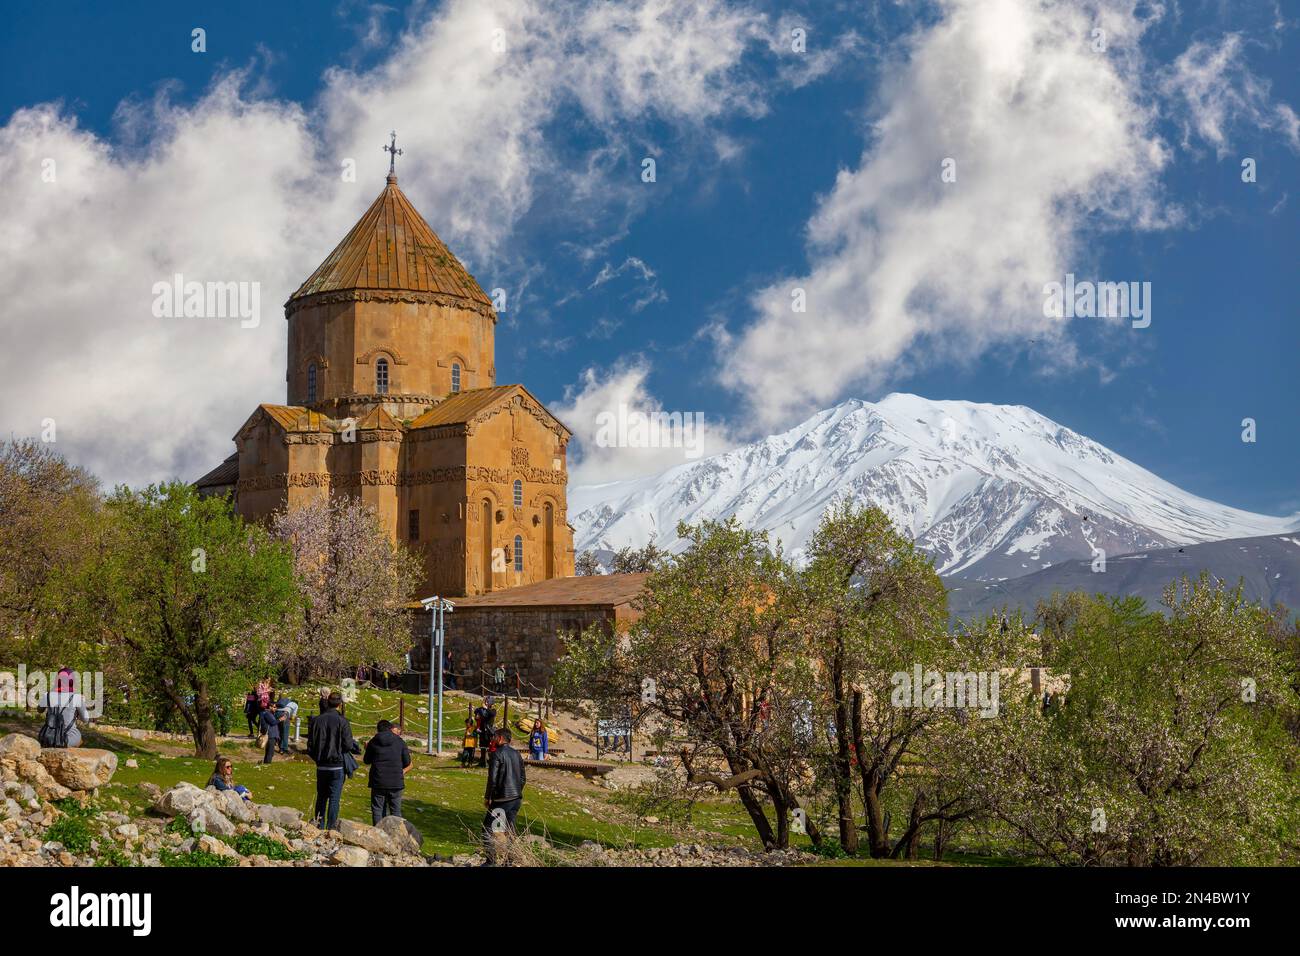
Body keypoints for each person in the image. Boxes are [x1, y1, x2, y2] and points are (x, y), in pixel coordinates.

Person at [307, 691, 360, 831]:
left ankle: (318, 824)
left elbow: (310, 746)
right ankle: (331, 828)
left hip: (321, 765)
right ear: (340, 704)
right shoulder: (343, 721)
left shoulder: (317, 720)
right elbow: (348, 745)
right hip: (337, 764)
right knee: (334, 798)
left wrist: (318, 759)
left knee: (321, 797)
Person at [482, 728, 526, 865]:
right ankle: (510, 860)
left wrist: (488, 797)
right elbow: (523, 778)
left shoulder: (496, 754)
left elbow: (492, 778)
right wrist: (517, 791)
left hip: (502, 800)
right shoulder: (516, 754)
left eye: (494, 736)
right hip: (516, 799)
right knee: (510, 830)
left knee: (488, 828)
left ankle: (491, 860)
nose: (492, 738)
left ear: (500, 738)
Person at [363, 719, 412, 824]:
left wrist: (367, 749)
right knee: (396, 811)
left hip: (378, 781)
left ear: (378, 730)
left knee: (378, 809)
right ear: (390, 728)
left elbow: (366, 761)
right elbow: (407, 762)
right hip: (396, 782)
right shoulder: (400, 742)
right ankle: (396, 836)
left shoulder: (373, 741)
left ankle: (378, 835)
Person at [37, 668, 89, 748]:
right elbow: (85, 719)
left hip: (48, 736)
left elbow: (39, 710)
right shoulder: (77, 697)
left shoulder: (47, 695)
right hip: (69, 737)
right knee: (79, 739)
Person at [473, 696, 497, 768]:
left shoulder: (493, 710)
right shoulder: (481, 709)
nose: (486, 703)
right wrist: (479, 712)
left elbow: (491, 714)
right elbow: (476, 711)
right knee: (482, 746)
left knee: (490, 747)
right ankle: (482, 762)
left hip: (489, 731)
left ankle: (490, 763)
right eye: (485, 701)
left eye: (487, 701)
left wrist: (486, 708)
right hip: (482, 730)